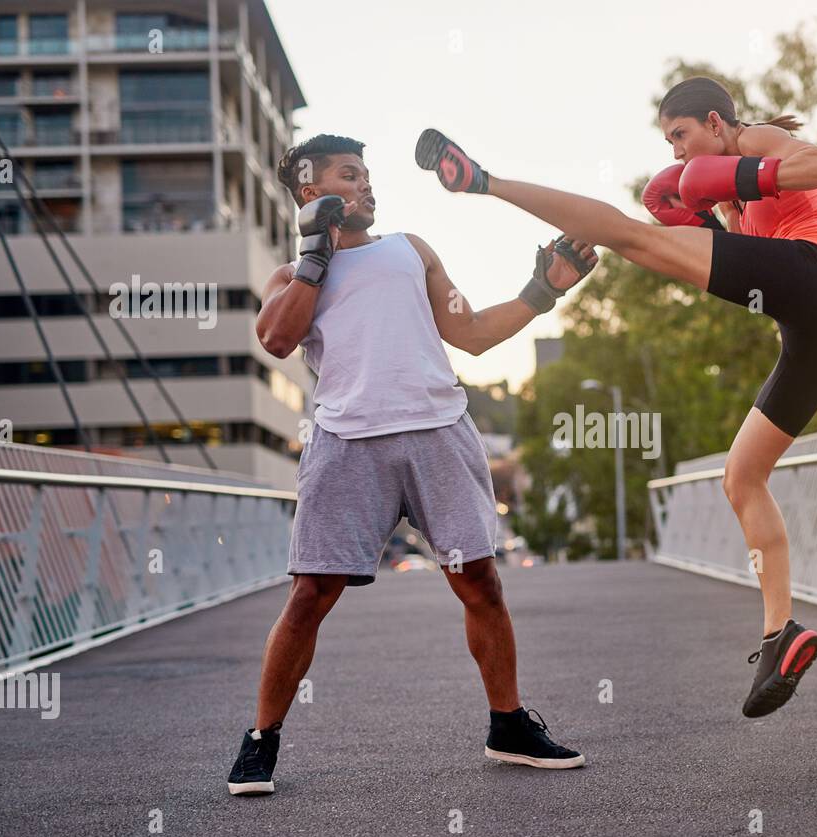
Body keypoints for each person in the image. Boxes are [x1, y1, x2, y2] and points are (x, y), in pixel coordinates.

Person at [416, 77, 817, 719]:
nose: (678, 154)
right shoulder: (733, 203)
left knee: (632, 236)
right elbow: (730, 245)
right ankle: (780, 632)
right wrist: (714, 208)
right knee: (741, 478)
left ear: (716, 123)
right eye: (670, 144)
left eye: (681, 137)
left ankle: (483, 181)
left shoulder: (755, 139)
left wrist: (738, 174)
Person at [227, 134, 597, 795]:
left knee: (479, 580)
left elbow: (473, 333)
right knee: (310, 594)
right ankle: (261, 741)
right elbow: (278, 337)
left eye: (367, 174)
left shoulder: (410, 250)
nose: (366, 184)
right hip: (346, 443)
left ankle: (508, 725)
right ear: (313, 193)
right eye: (349, 175)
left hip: (437, 432)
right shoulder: (289, 275)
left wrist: (543, 289)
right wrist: (316, 255)